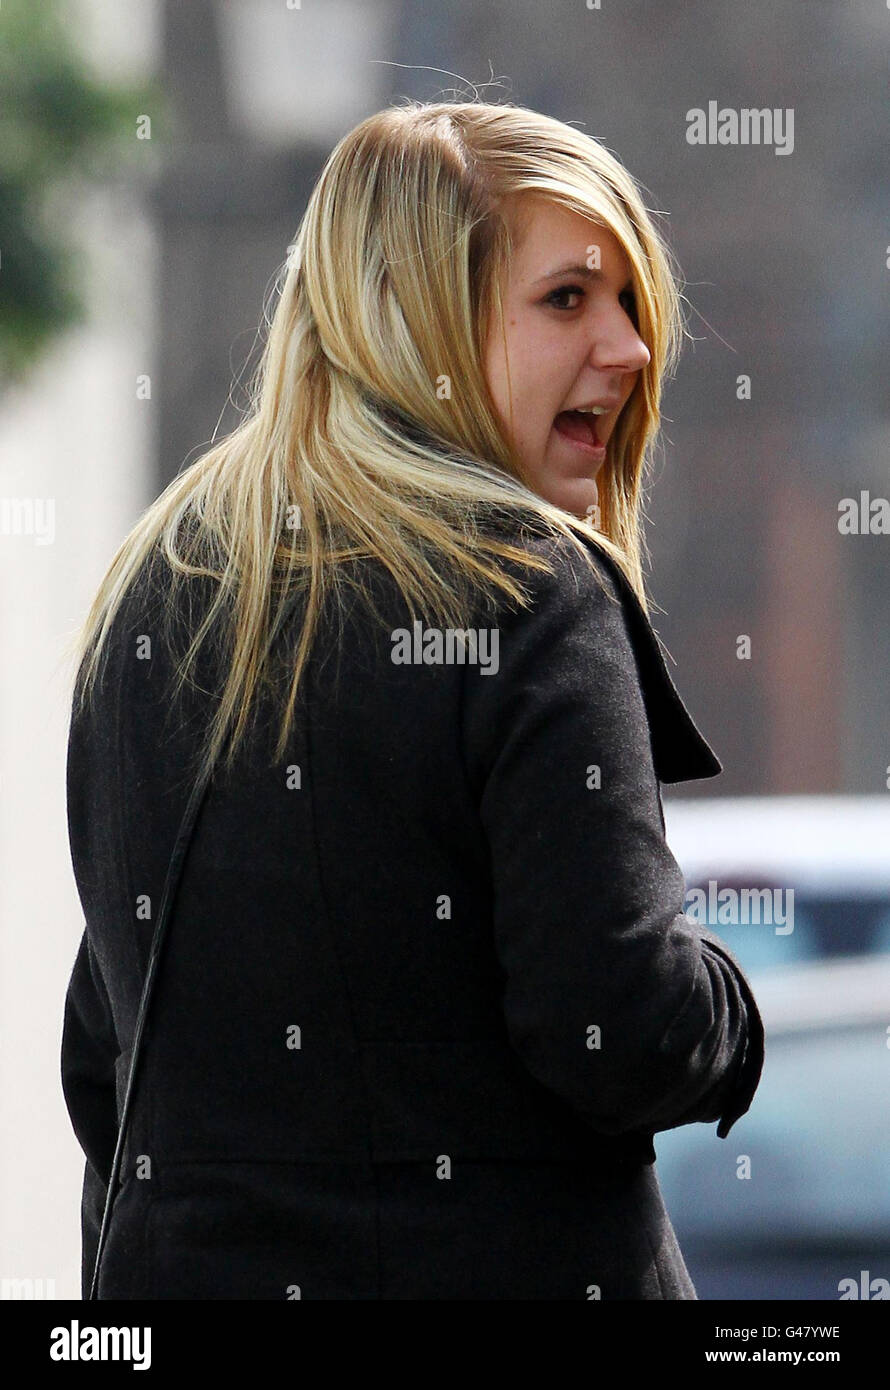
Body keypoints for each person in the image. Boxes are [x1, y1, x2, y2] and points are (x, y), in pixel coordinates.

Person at [60, 98, 764, 1300]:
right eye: (566, 299)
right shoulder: (523, 587)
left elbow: (103, 1052)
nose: (632, 348)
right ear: (418, 322)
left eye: (629, 303)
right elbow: (611, 1028)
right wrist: (729, 1014)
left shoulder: (159, 588)